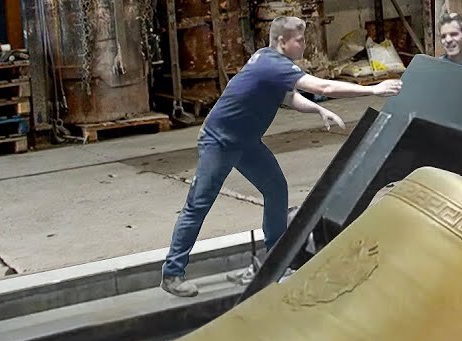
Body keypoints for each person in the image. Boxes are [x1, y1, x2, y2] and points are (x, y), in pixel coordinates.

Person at [161, 16, 403, 297]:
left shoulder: (269, 61)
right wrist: (372, 89)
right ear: (281, 42)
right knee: (199, 204)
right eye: (299, 40)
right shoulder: (271, 63)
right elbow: (323, 87)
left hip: (246, 141)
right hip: (220, 142)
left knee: (276, 189)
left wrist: (317, 110)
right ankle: (172, 274)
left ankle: (275, 258)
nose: (303, 44)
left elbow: (289, 97)